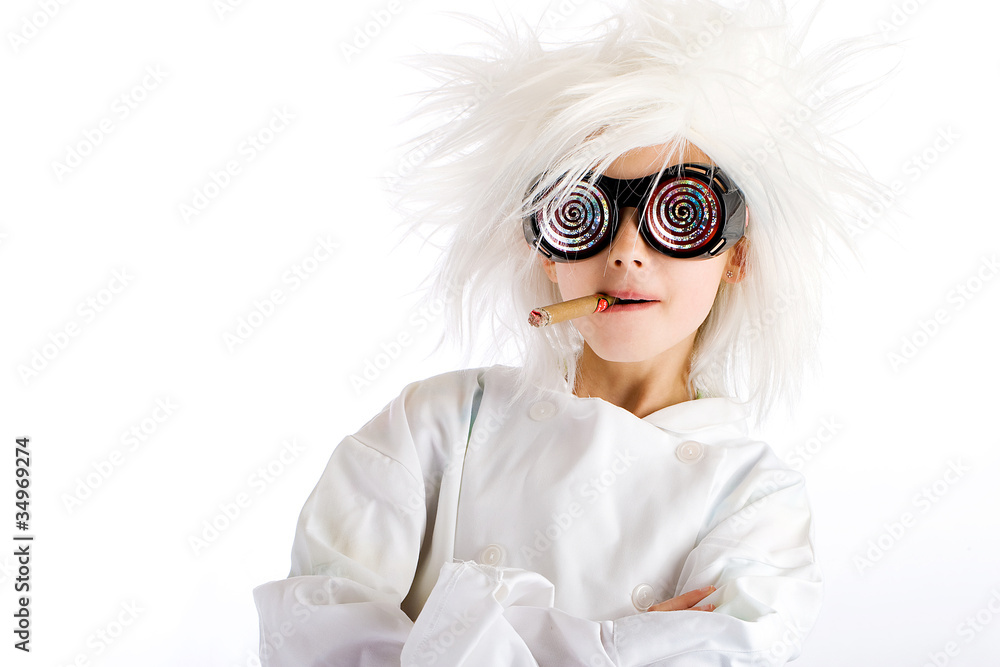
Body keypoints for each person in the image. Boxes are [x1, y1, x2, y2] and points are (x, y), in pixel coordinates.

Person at [253, 0, 888, 664]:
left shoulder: (756, 498)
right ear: (546, 249)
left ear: (737, 252)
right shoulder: (433, 426)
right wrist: (608, 645)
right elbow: (308, 640)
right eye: (582, 209)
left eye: (680, 209)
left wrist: (444, 631)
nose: (625, 252)